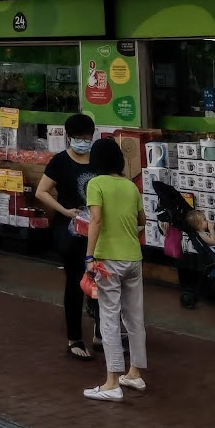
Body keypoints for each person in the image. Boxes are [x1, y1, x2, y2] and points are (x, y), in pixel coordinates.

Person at [82, 138, 148, 401]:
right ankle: (134, 374)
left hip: (107, 260)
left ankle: (111, 382)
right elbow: (142, 220)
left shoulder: (95, 184)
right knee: (135, 317)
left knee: (109, 318)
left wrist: (89, 256)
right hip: (134, 258)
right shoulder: (131, 186)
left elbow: (95, 220)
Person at [35, 112, 99, 358]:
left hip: (97, 229)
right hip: (70, 231)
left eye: (88, 137)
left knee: (100, 280)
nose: (84, 142)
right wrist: (66, 211)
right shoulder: (60, 162)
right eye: (80, 138)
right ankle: (74, 338)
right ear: (69, 138)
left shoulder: (97, 160)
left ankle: (100, 332)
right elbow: (42, 191)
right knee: (74, 281)